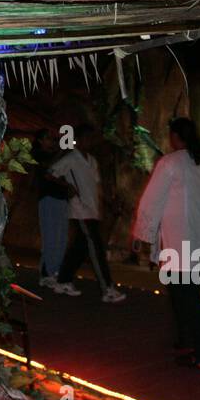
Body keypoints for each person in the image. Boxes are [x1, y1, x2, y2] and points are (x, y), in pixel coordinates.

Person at [133, 117, 200, 370]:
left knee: (187, 297)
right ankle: (187, 341)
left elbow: (152, 200)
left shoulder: (170, 163)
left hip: (178, 241)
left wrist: (141, 235)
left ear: (175, 137)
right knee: (182, 295)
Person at [50, 124, 126, 303]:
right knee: (96, 248)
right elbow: (50, 173)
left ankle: (63, 280)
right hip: (80, 209)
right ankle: (107, 288)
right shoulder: (71, 158)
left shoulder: (92, 160)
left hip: (92, 210)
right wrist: (67, 186)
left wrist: (107, 203)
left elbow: (97, 187)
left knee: (80, 247)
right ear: (80, 139)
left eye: (92, 139)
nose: (90, 142)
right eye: (87, 138)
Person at [34, 129, 70, 290]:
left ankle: (53, 271)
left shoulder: (58, 155)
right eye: (48, 138)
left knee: (61, 238)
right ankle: (46, 273)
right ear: (40, 140)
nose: (52, 142)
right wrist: (63, 151)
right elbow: (49, 169)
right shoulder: (39, 154)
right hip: (48, 199)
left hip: (62, 199)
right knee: (50, 237)